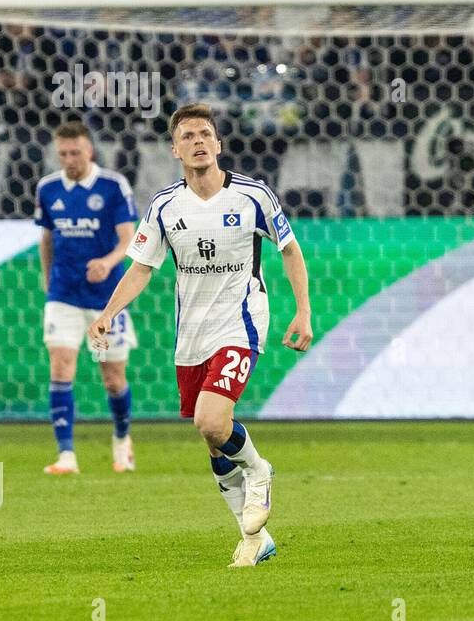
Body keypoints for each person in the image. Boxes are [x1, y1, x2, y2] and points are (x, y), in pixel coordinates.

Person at [87, 104, 314, 567]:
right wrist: (109, 310)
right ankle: (254, 540)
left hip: (241, 320)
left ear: (218, 144)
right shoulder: (165, 206)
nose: (197, 141)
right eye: (188, 135)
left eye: (205, 134)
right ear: (175, 149)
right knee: (212, 441)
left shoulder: (252, 195)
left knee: (211, 421)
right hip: (191, 333)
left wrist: (303, 312)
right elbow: (142, 268)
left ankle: (259, 470)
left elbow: (289, 250)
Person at [34, 120, 139, 475]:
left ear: (89, 150)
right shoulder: (47, 188)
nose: (69, 160)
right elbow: (46, 239)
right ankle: (66, 455)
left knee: (112, 378)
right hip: (63, 293)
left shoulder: (112, 186)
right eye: (62, 154)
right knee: (61, 367)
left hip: (107, 299)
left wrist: (109, 264)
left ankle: (123, 440)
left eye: (75, 152)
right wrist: (48, 282)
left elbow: (129, 238)